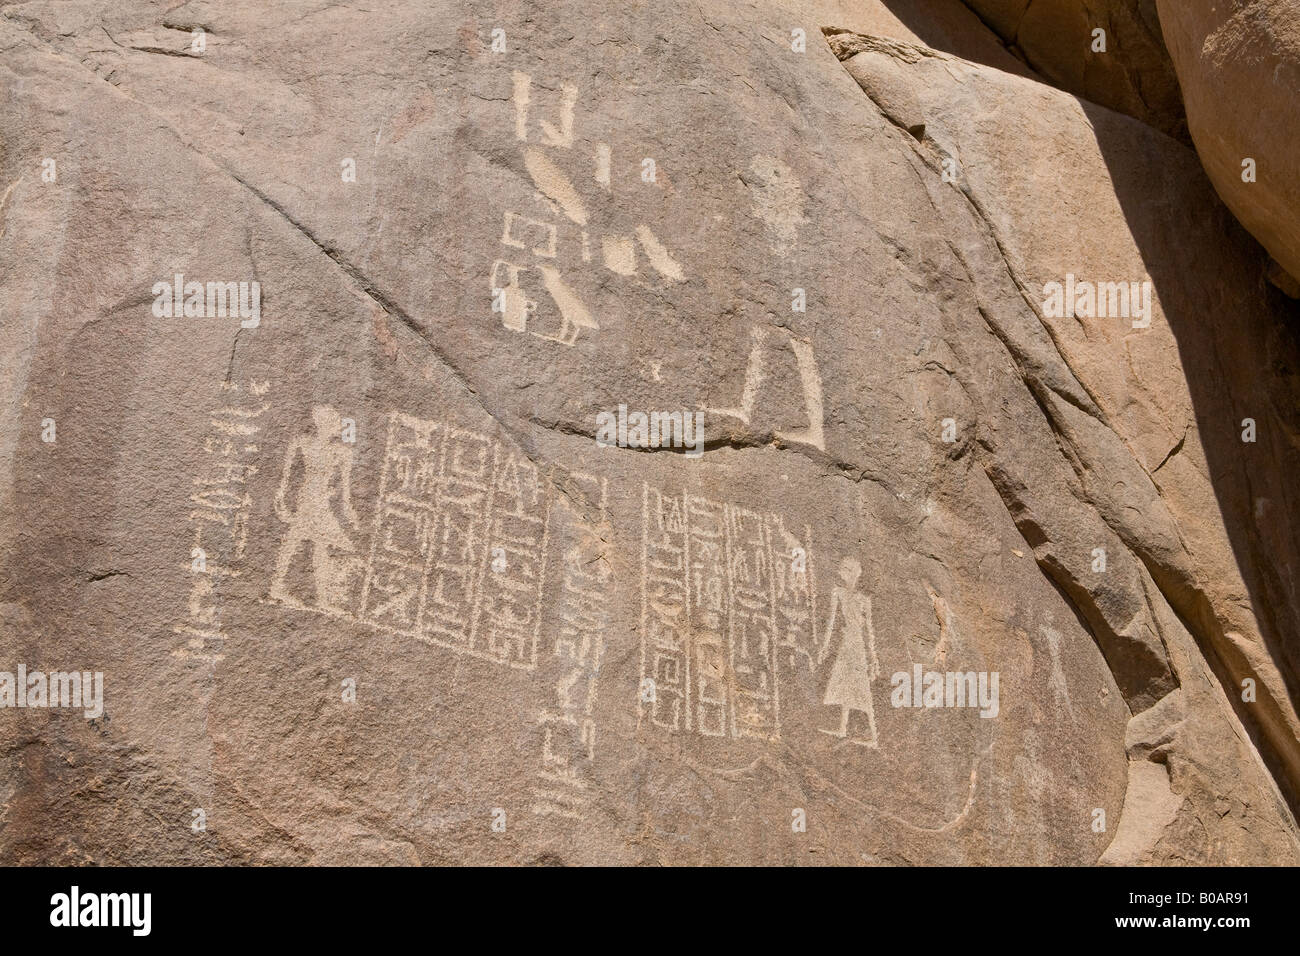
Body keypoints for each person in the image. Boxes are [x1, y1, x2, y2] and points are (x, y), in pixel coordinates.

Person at [270, 405, 362, 608]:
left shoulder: (339, 451)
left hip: (318, 500)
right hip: (309, 500)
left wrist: (348, 512)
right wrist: (281, 498)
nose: (338, 428)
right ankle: (315, 597)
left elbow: (344, 493)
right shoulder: (304, 443)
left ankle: (313, 595)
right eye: (335, 423)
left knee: (308, 541)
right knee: (307, 541)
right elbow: (287, 477)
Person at [818, 557, 881, 747]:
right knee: (845, 682)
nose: (842, 573)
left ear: (854, 573)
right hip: (847, 643)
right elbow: (831, 622)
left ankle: (874, 736)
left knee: (861, 686)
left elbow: (869, 631)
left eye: (846, 570)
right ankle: (842, 728)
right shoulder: (838, 593)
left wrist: (873, 658)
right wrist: (825, 646)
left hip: (857, 645)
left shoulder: (864, 600)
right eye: (842, 570)